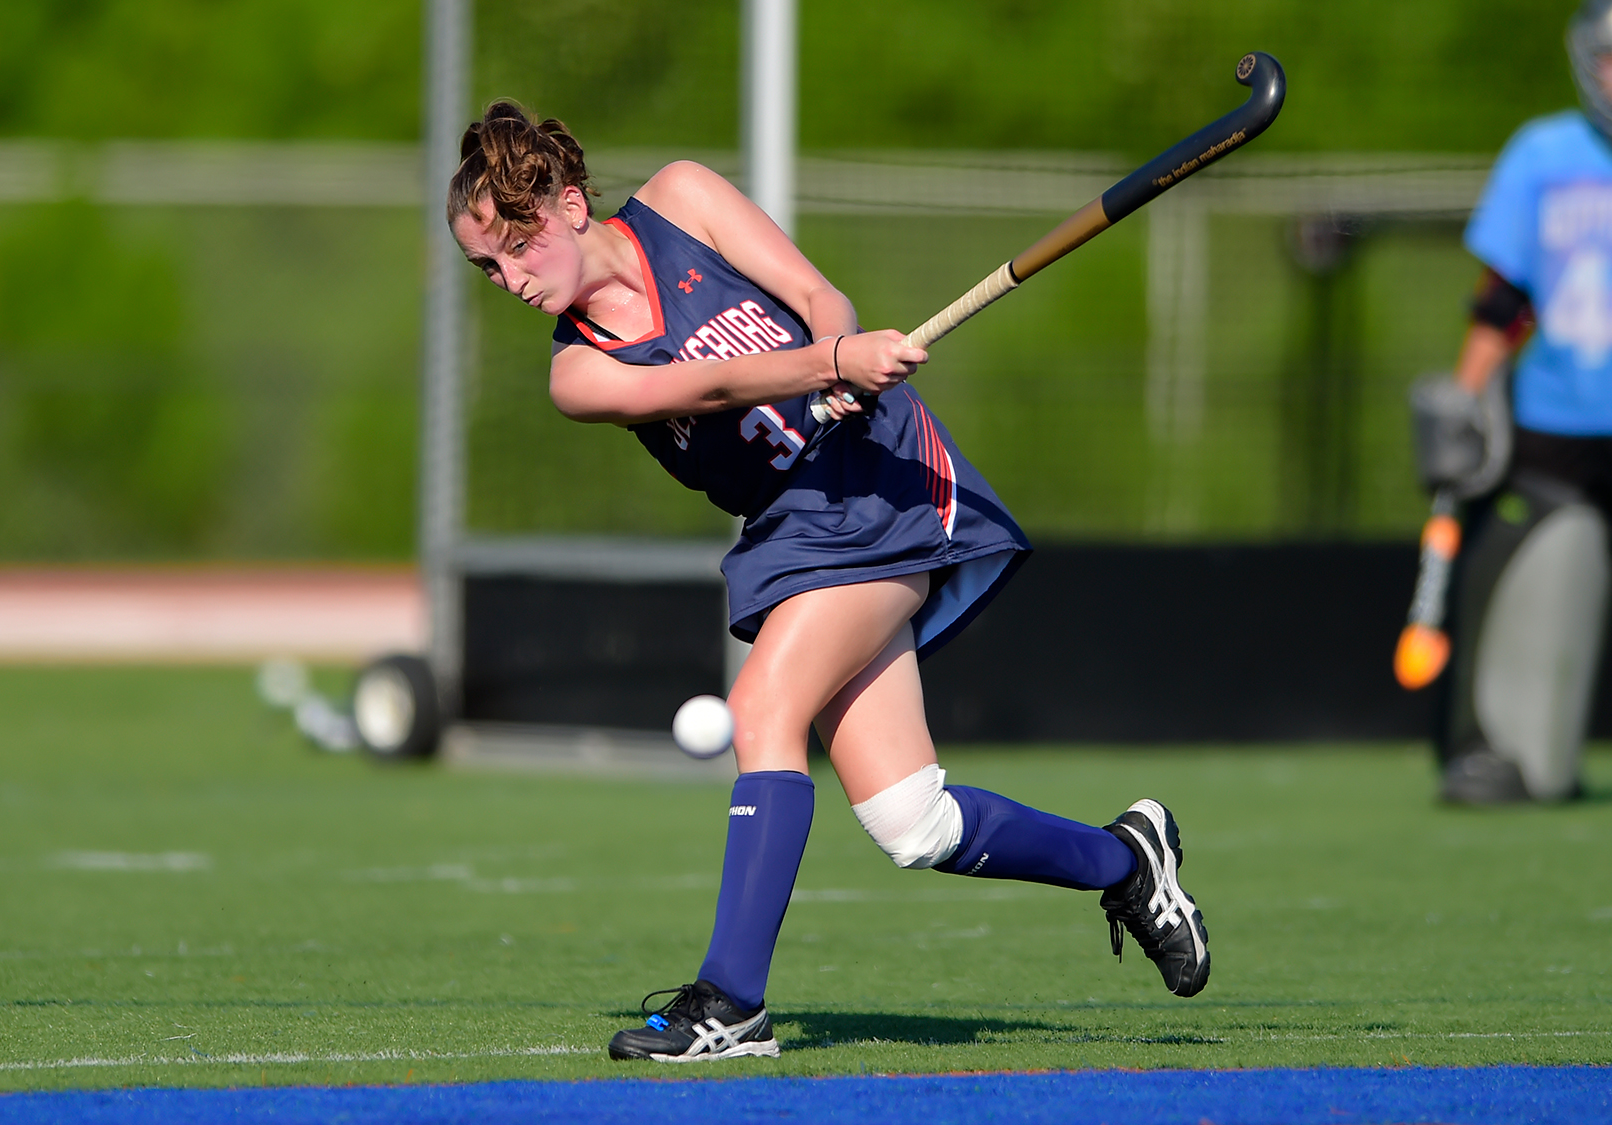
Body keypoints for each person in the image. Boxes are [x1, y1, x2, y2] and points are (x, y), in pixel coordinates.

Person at [445, 101, 1210, 1063]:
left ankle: (731, 1002)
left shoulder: (682, 199)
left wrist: (844, 351)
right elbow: (711, 387)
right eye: (488, 267)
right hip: (791, 527)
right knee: (912, 821)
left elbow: (817, 294)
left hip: (876, 481)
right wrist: (827, 362)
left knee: (764, 708)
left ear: (567, 204)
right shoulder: (580, 374)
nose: (511, 278)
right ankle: (1127, 860)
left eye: (517, 247)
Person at [1416, 0, 1612, 804]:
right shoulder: (1542, 153)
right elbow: (1503, 300)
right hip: (1556, 431)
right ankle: (1510, 751)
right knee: (1534, 603)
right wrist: (1467, 399)